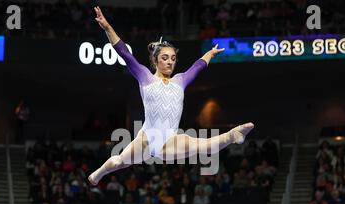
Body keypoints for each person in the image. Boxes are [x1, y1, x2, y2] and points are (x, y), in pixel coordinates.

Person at [88, 6, 254, 185]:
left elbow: (197, 67)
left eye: (173, 58)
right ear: (155, 60)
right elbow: (124, 53)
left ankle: (232, 135)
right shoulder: (145, 77)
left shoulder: (180, 80)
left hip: (170, 140)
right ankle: (98, 173)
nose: (170, 62)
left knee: (200, 144)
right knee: (120, 161)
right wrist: (107, 28)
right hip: (146, 138)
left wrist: (210, 54)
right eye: (165, 58)